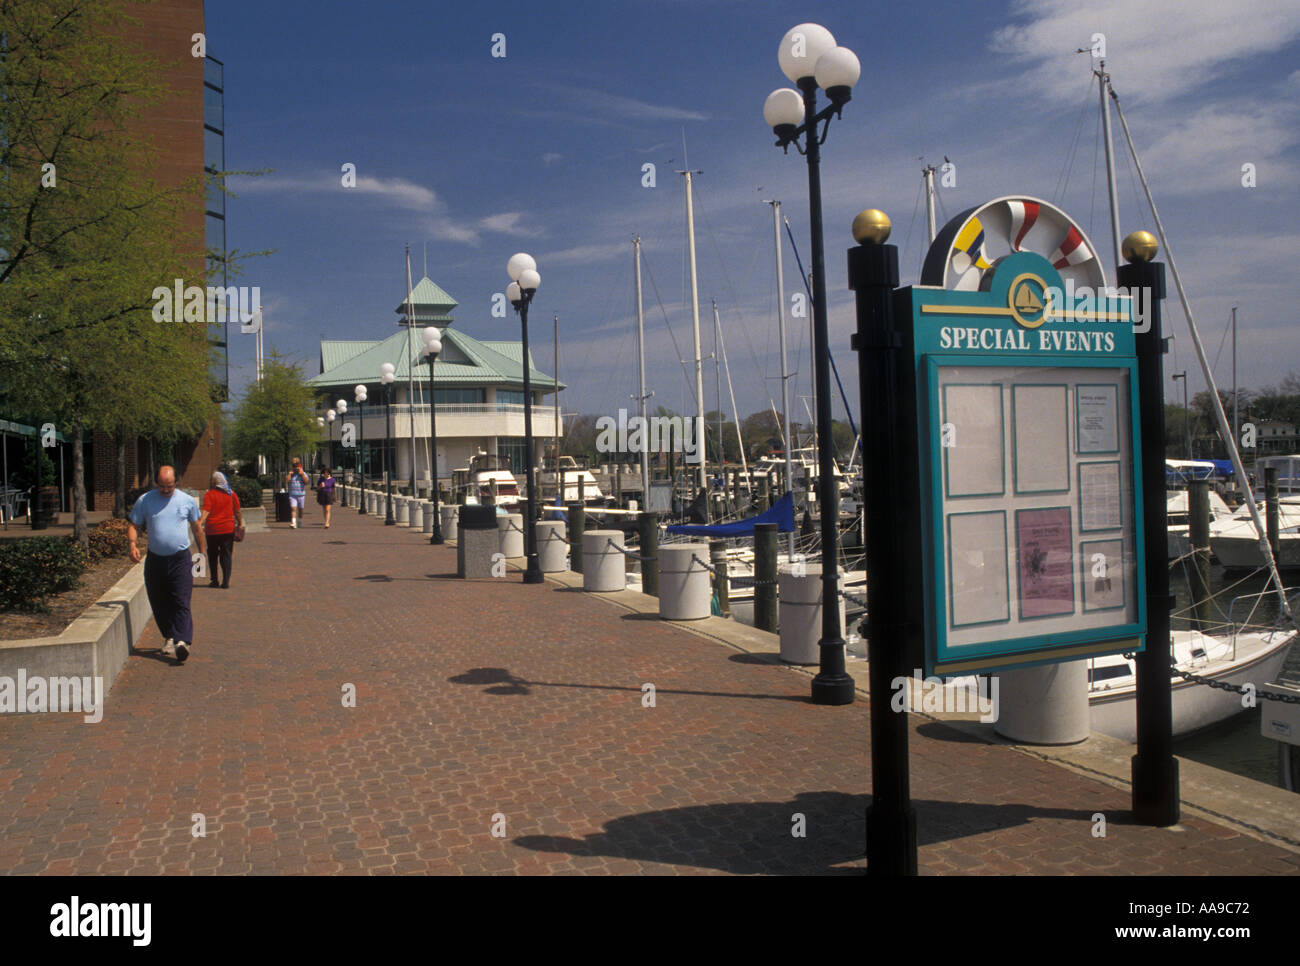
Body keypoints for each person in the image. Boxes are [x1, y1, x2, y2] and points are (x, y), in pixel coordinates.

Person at [128, 465, 205, 664]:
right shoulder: (145, 500)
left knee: (181, 599)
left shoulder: (186, 501)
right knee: (159, 601)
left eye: (169, 486)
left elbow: (197, 528)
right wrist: (132, 544)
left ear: (176, 483)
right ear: (156, 483)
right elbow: (134, 524)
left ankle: (182, 642)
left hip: (180, 558)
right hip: (155, 559)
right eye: (162, 486)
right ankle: (170, 636)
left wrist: (201, 554)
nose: (165, 490)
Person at [200, 470, 243, 588]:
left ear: (213, 482)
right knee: (226, 554)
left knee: (213, 555)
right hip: (228, 529)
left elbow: (206, 510)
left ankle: (214, 580)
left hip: (212, 530)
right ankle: (226, 581)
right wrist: (240, 523)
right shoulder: (231, 494)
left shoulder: (209, 494)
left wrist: (200, 522)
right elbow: (237, 511)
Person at [286, 457, 309, 529]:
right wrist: (290, 474)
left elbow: (307, 482)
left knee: (301, 510)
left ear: (300, 466)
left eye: (297, 466)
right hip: (293, 494)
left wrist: (302, 474)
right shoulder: (291, 474)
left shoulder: (303, 473)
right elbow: (286, 481)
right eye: (294, 466)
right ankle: (293, 522)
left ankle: (300, 521)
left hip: (301, 494)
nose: (295, 468)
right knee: (293, 508)